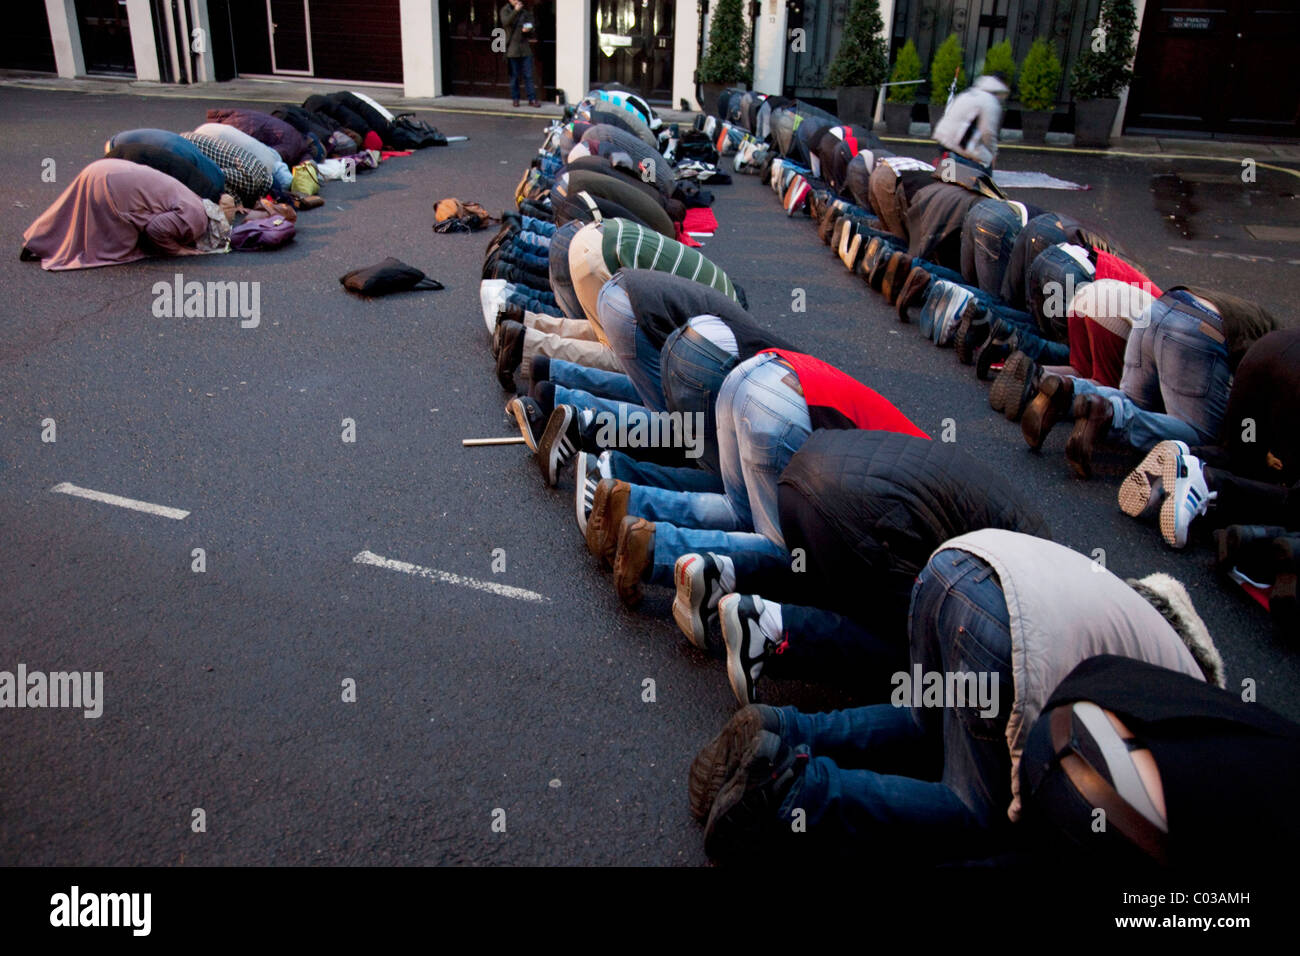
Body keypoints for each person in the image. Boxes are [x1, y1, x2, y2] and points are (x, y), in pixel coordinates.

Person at [690, 530, 1223, 864]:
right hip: (1006, 631)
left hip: (955, 567)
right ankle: (797, 796)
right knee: (977, 813)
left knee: (927, 721)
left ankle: (786, 730)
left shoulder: (1124, 604)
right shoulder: (1185, 690)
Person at [21, 158, 210, 270]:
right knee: (108, 230)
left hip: (104, 168)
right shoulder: (197, 218)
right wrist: (179, 251)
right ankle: (72, 249)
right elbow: (156, 229)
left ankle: (37, 240)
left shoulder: (192, 197)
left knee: (70, 210)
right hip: (115, 185)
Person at [931, 74, 1010, 173]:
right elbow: (988, 132)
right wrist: (993, 154)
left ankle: (949, 167)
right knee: (986, 163)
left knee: (949, 176)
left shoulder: (968, 93)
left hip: (942, 137)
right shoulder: (991, 101)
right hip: (959, 143)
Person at [500, 0, 540, 108]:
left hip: (525, 49)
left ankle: (532, 99)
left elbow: (532, 25)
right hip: (513, 49)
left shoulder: (525, 12)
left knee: (529, 76)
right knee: (514, 76)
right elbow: (505, 22)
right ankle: (515, 99)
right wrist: (515, 11)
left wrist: (528, 29)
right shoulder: (505, 10)